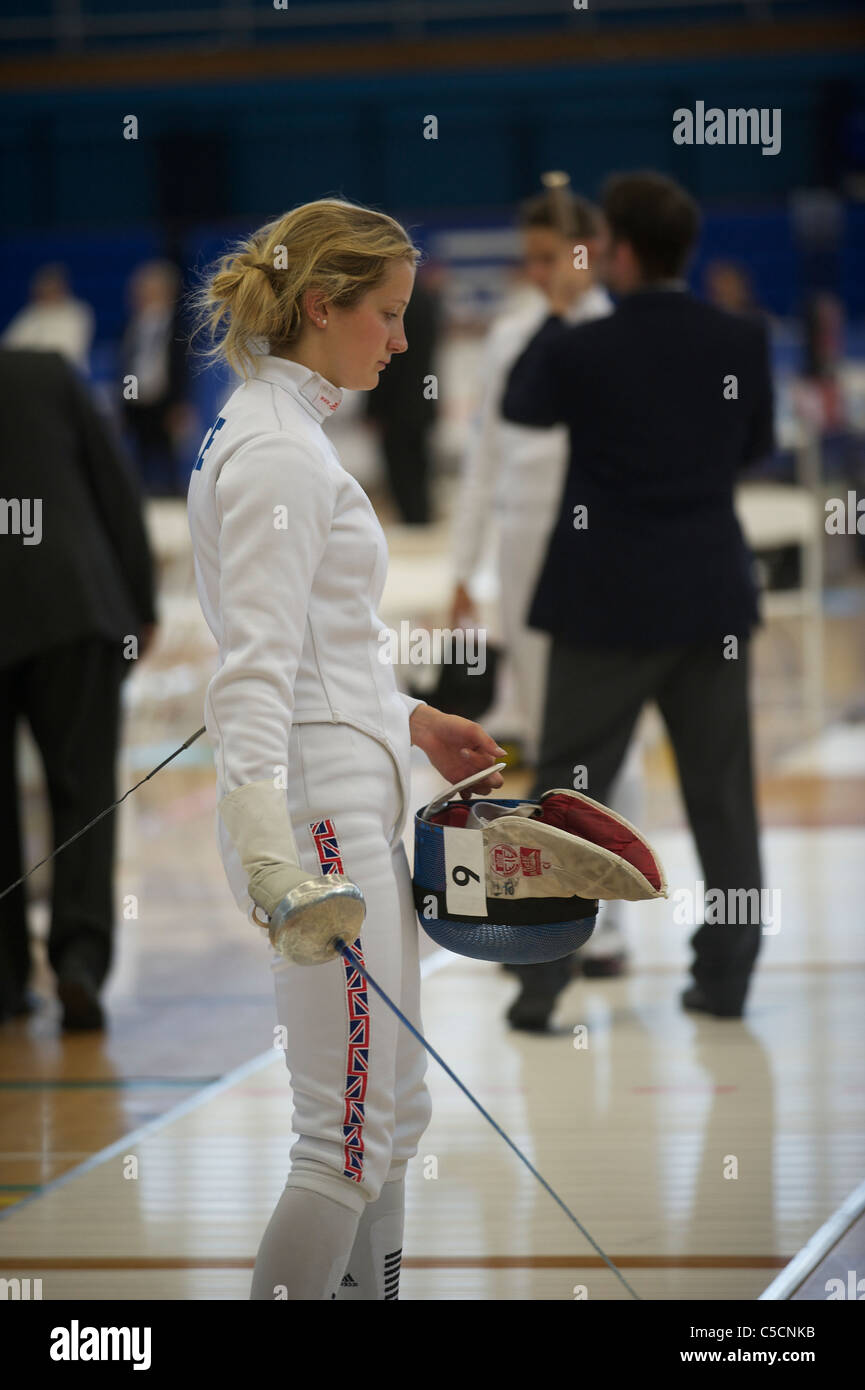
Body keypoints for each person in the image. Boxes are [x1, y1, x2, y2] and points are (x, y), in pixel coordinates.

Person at [187, 198, 505, 1301]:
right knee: (343, 1137)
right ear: (320, 305)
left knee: (390, 1117)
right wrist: (270, 855)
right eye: (387, 314)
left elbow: (327, 640)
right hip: (317, 829)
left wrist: (414, 717)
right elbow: (253, 675)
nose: (403, 340)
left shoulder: (288, 431)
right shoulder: (277, 452)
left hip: (349, 799)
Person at [501, 170, 775, 1025]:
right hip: (706, 601)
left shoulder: (585, 345)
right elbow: (755, 444)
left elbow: (520, 404)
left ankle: (542, 981)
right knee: (721, 799)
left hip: (602, 606)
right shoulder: (740, 339)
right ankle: (724, 980)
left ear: (615, 250)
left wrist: (560, 305)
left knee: (566, 796)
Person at [0, 348, 157, 1029]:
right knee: (84, 791)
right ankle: (80, 961)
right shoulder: (45, 371)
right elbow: (113, 483)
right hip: (74, 606)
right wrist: (141, 604)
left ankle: (4, 981)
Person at [362, 261, 443, 524]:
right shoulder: (428, 302)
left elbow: (389, 368)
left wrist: (374, 407)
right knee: (419, 464)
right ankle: (421, 515)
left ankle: (413, 517)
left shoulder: (393, 309)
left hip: (396, 406)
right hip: (423, 400)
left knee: (401, 468)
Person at [120, 259, 193, 496]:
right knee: (140, 459)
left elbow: (183, 367)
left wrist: (180, 403)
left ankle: (173, 500)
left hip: (166, 400)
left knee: (168, 458)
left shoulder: (178, 325)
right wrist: (126, 400)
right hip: (138, 400)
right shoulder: (133, 325)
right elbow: (127, 364)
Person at [2, 264, 95, 374]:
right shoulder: (31, 313)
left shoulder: (78, 313)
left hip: (66, 378)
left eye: (50, 288)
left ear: (61, 288)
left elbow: (66, 354)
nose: (45, 293)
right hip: (29, 375)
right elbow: (7, 347)